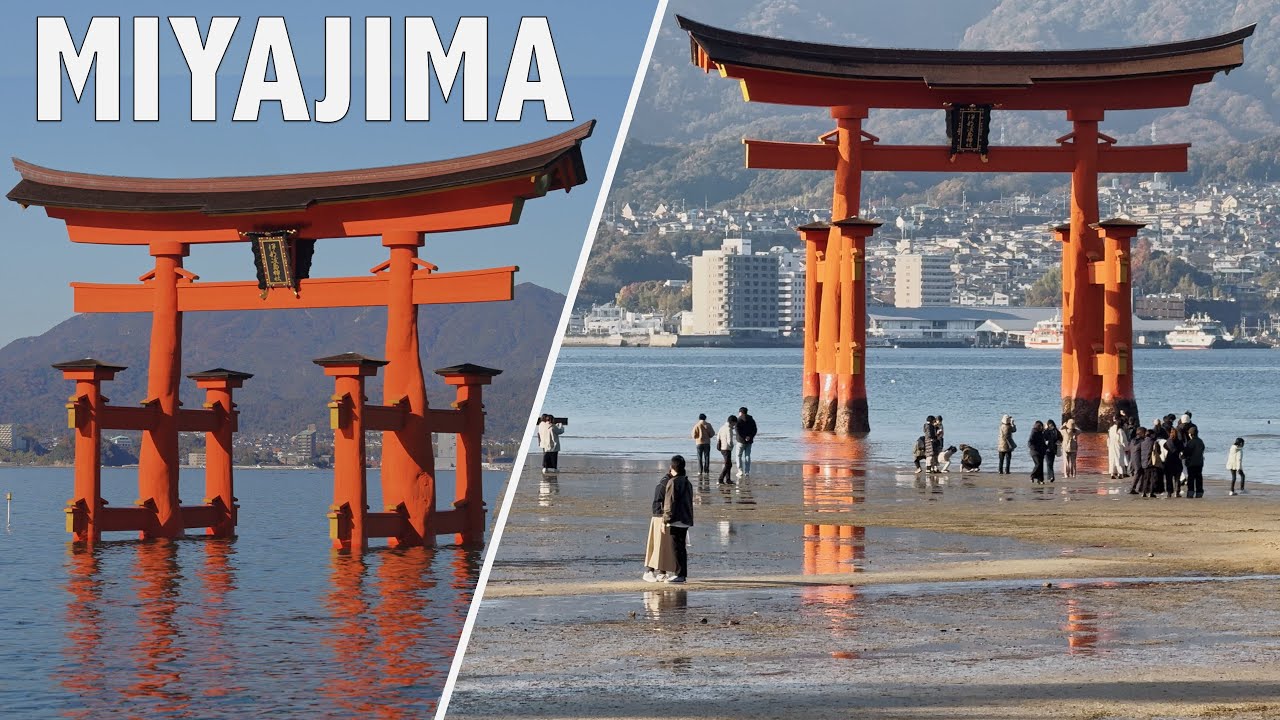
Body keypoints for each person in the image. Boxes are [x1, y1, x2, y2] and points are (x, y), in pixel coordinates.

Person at [643, 461, 680, 582]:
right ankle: (649, 571)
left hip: (666, 516)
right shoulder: (665, 483)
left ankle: (661, 572)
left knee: (664, 546)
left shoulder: (672, 481)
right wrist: (662, 516)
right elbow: (659, 501)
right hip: (660, 516)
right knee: (658, 545)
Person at [661, 454, 693, 583]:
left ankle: (679, 574)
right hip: (685, 519)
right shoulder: (687, 481)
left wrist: (665, 520)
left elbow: (669, 504)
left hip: (676, 519)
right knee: (681, 548)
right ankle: (681, 574)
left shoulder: (673, 482)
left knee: (676, 548)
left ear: (672, 467)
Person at [1183, 426, 1205, 499]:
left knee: (1191, 479)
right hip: (1199, 463)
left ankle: (1190, 493)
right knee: (1199, 478)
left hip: (1191, 463)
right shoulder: (1201, 441)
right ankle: (1199, 492)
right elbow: (1202, 450)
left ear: (1191, 434)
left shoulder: (1190, 442)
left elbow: (1186, 452)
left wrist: (1183, 456)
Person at [735, 407, 757, 477]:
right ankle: (747, 471)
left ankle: (740, 470)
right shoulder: (751, 419)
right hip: (749, 441)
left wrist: (744, 437)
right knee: (747, 456)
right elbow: (755, 429)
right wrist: (750, 436)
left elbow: (737, 431)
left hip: (740, 441)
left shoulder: (738, 420)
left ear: (740, 412)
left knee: (738, 455)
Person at [716, 415, 738, 485]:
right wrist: (732, 446)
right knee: (728, 465)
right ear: (732, 422)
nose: (735, 425)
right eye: (734, 423)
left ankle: (728, 479)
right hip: (727, 448)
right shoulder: (729, 429)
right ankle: (720, 479)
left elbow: (718, 437)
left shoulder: (722, 427)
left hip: (722, 448)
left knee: (728, 464)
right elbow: (729, 441)